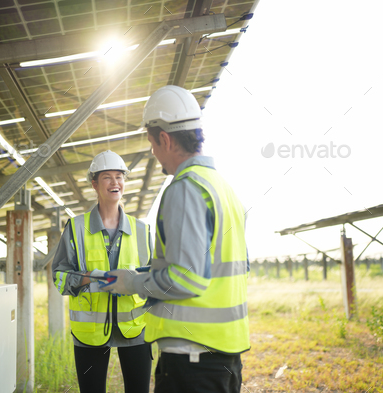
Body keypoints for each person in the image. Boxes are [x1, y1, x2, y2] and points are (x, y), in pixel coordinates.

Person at [101, 85, 250, 393]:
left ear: (165, 139)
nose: (154, 154)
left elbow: (188, 279)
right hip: (224, 355)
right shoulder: (221, 187)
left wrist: (131, 283)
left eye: (152, 145)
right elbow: (212, 265)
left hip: (191, 358)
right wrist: (141, 274)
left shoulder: (185, 188)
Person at [52, 150, 153, 393]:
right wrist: (92, 278)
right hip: (90, 331)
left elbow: (155, 279)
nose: (115, 182)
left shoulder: (142, 230)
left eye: (119, 176)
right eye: (107, 177)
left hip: (135, 328)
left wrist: (134, 282)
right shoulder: (75, 228)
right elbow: (59, 277)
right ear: (94, 184)